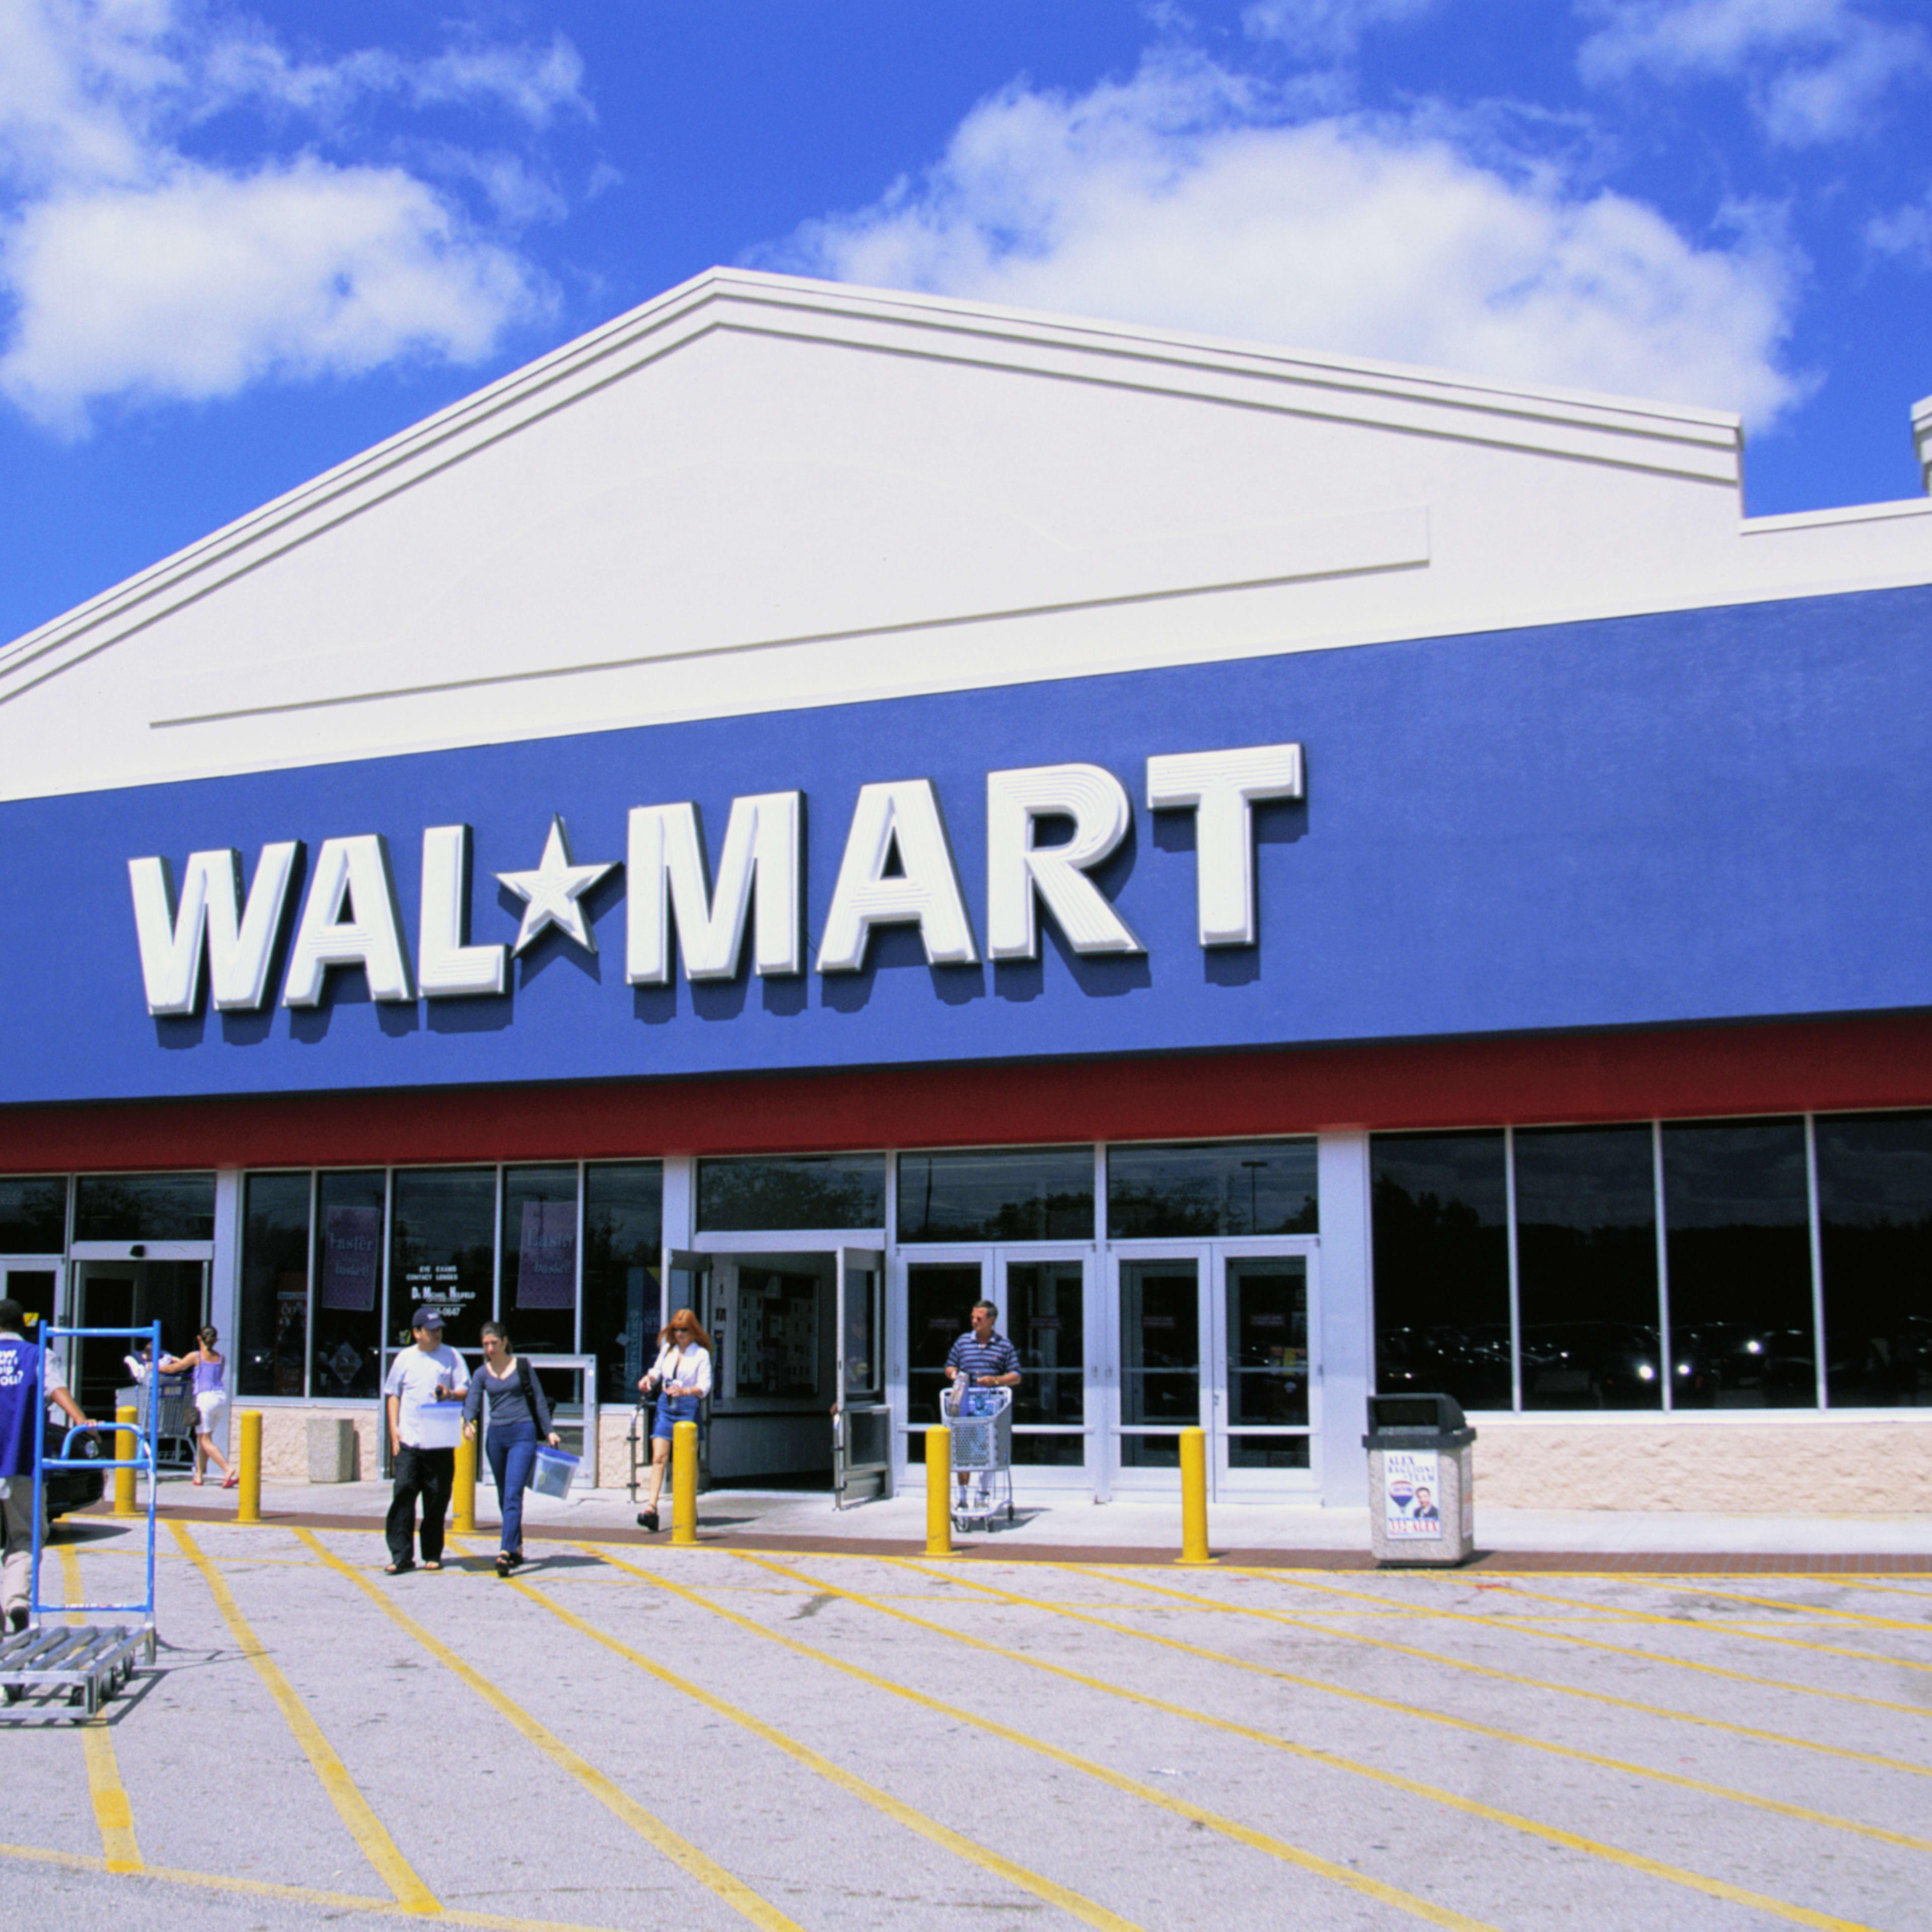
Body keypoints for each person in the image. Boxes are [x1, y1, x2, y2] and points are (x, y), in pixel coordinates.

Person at [0, 1300, 92, 1635]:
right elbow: (56, 1390)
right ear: (23, 1324)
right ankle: (16, 1601)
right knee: (25, 1536)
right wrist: (82, 1421)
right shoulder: (38, 1355)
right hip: (22, 1460)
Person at [462, 1321, 559, 1576]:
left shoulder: (522, 1367)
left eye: (494, 1343)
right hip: (496, 1436)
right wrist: (468, 1422)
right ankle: (516, 1546)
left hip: (522, 1433)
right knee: (503, 1494)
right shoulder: (482, 1373)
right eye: (485, 1344)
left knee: (513, 1494)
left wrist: (549, 1430)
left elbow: (538, 1400)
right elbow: (472, 1400)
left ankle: (505, 1552)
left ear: (505, 1342)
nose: (490, 1348)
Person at [382, 1308, 469, 1574]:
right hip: (410, 1442)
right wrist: (394, 1430)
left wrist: (450, 1393)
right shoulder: (405, 1358)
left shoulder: (452, 1356)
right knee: (404, 1497)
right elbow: (393, 1394)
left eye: (439, 1329)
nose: (437, 1333)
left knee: (437, 1499)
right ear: (417, 1333)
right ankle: (401, 1556)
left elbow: (464, 1390)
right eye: (431, 1330)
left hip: (439, 1442)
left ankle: (432, 1553)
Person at [635, 1308, 711, 1533]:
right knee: (659, 1457)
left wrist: (686, 1391)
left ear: (693, 1331)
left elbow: (705, 1387)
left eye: (684, 1330)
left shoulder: (701, 1354)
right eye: (676, 1330)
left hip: (687, 1407)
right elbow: (657, 1371)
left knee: (686, 1462)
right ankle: (651, 1508)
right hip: (666, 1405)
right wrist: (648, 1379)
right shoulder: (668, 1349)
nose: (679, 1335)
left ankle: (689, 1506)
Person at [944, 1300, 1021, 1509]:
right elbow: (950, 1365)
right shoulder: (962, 1342)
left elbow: (1016, 1376)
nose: (974, 1321)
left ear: (991, 1320)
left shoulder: (1004, 1345)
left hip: (990, 1406)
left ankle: (983, 1494)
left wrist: (995, 1381)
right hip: (964, 1404)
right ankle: (962, 1497)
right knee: (963, 1450)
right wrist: (953, 1373)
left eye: (979, 1318)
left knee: (988, 1449)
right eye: (972, 1317)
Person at [159, 1326, 234, 1489]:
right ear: (215, 1340)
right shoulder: (221, 1358)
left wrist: (156, 1368)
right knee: (204, 1438)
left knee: (204, 1440)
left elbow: (174, 1369)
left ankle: (227, 1469)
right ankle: (199, 1475)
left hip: (205, 1398)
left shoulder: (196, 1356)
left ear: (199, 1339)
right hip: (220, 1398)